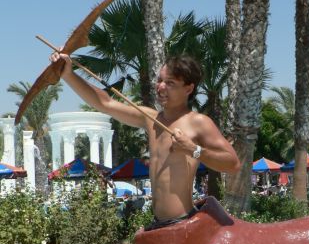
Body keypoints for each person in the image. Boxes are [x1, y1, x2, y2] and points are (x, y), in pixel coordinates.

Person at [50, 52, 240, 226]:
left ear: (188, 88)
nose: (161, 87)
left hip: (183, 223)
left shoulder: (198, 122)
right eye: (160, 80)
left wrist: (193, 149)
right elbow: (105, 103)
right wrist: (68, 74)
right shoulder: (151, 119)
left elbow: (233, 164)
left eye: (170, 83)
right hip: (158, 224)